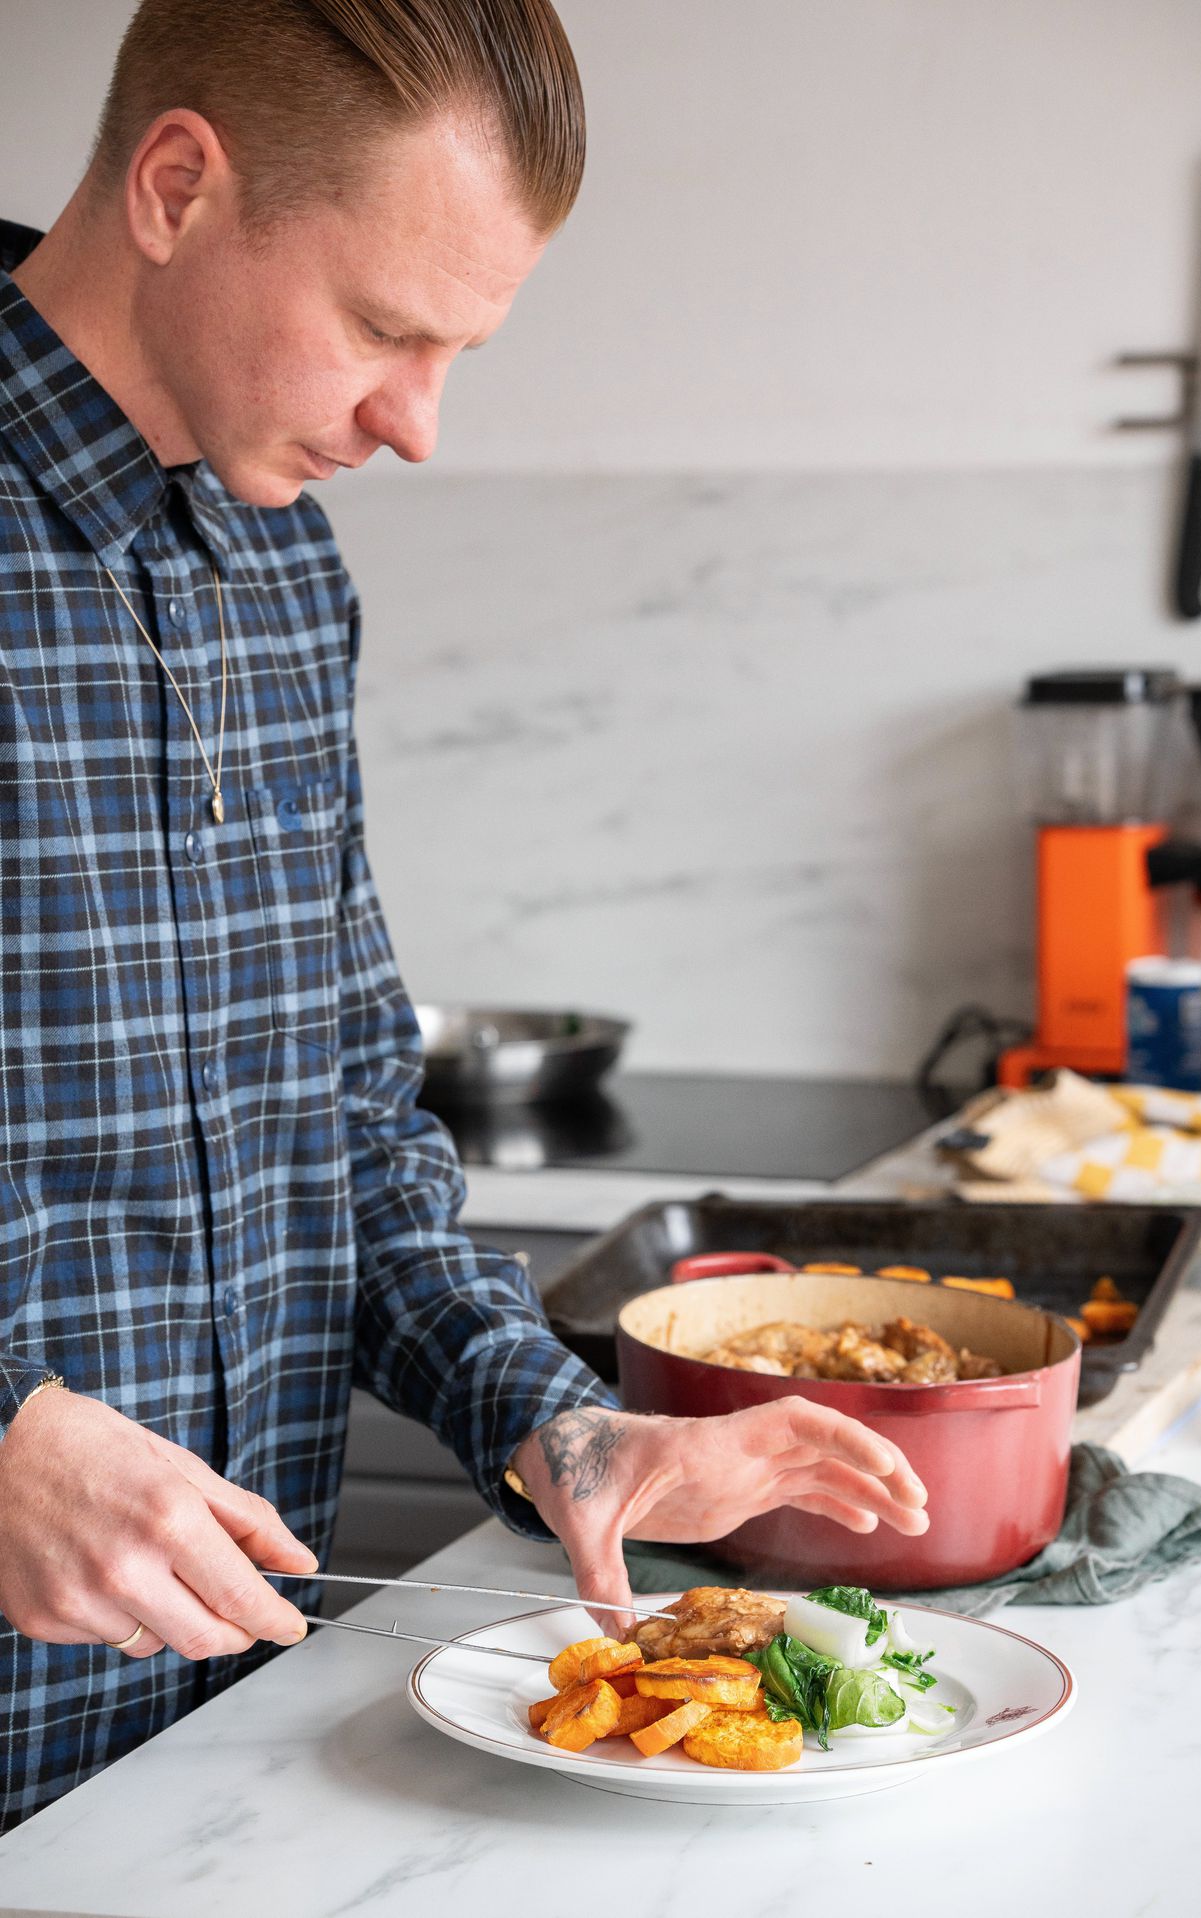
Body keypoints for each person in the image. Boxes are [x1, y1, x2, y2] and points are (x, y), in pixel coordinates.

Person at [0, 0, 928, 1830]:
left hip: (218, 1759)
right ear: (178, 186)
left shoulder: (281, 562)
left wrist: (564, 1423)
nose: (417, 425)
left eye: (455, 350)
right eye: (383, 329)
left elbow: (349, 1119)